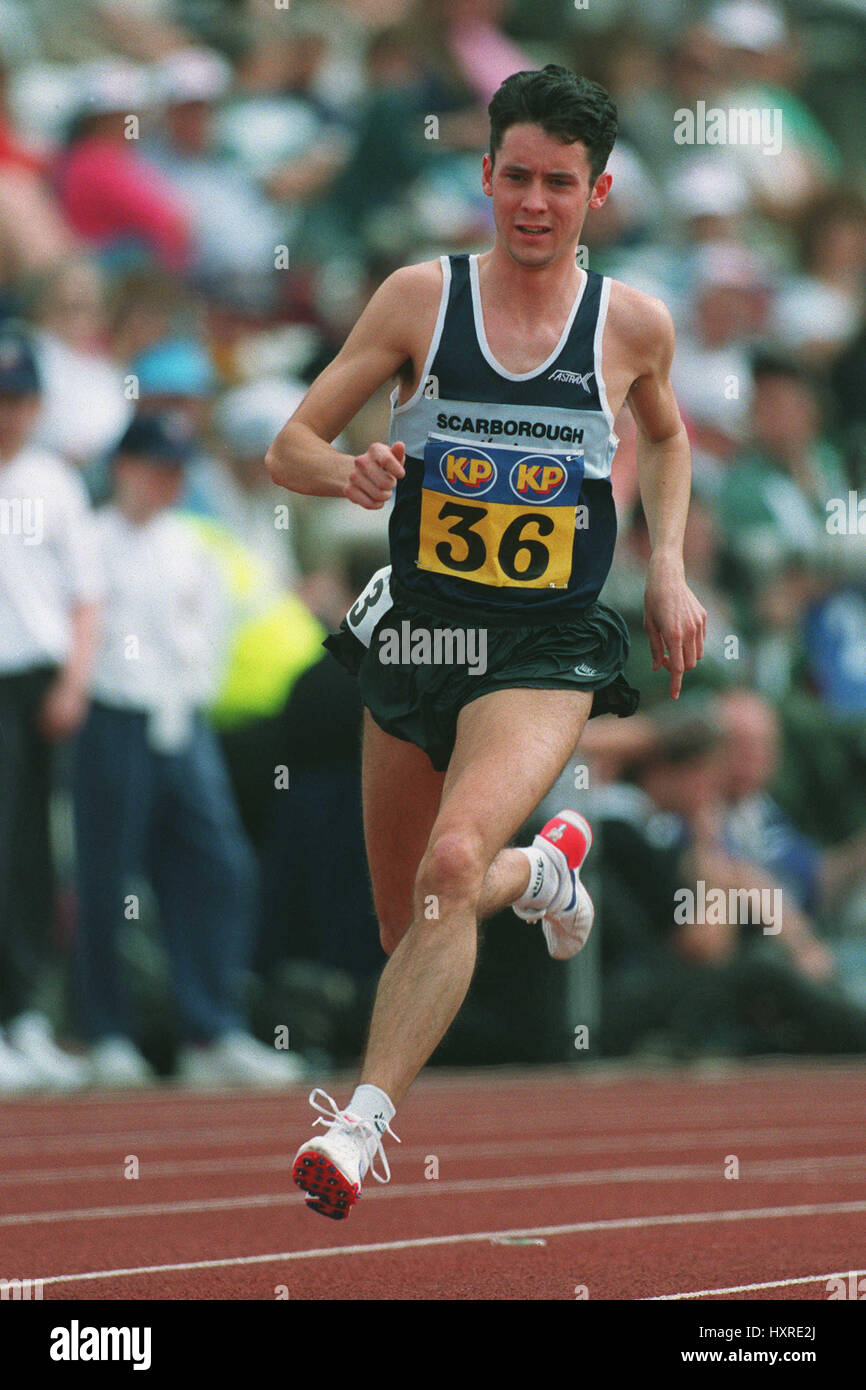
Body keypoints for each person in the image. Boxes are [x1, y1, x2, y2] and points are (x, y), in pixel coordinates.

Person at [266, 64, 706, 1219]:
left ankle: (357, 1128)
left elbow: (665, 441)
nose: (532, 202)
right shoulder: (420, 298)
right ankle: (549, 869)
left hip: (546, 638)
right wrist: (346, 468)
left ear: (596, 192)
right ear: (484, 175)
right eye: (514, 176)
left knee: (450, 867)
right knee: (408, 910)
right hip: (415, 633)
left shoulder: (631, 323)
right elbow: (288, 445)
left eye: (558, 183)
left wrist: (662, 566)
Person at [73, 412, 304, 1089]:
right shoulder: (91, 541)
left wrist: (191, 694)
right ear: (124, 468)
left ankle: (211, 1028)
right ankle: (105, 1032)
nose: (167, 484)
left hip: (185, 721)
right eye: (155, 469)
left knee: (219, 866)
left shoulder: (194, 544)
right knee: (107, 880)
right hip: (113, 717)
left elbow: (212, 628)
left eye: (177, 471)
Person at [0, 322, 101, 1093]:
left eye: (21, 398)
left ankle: (25, 1013)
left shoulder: (54, 483)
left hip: (37, 685)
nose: (10, 412)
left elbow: (85, 600)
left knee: (34, 850)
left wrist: (73, 682)